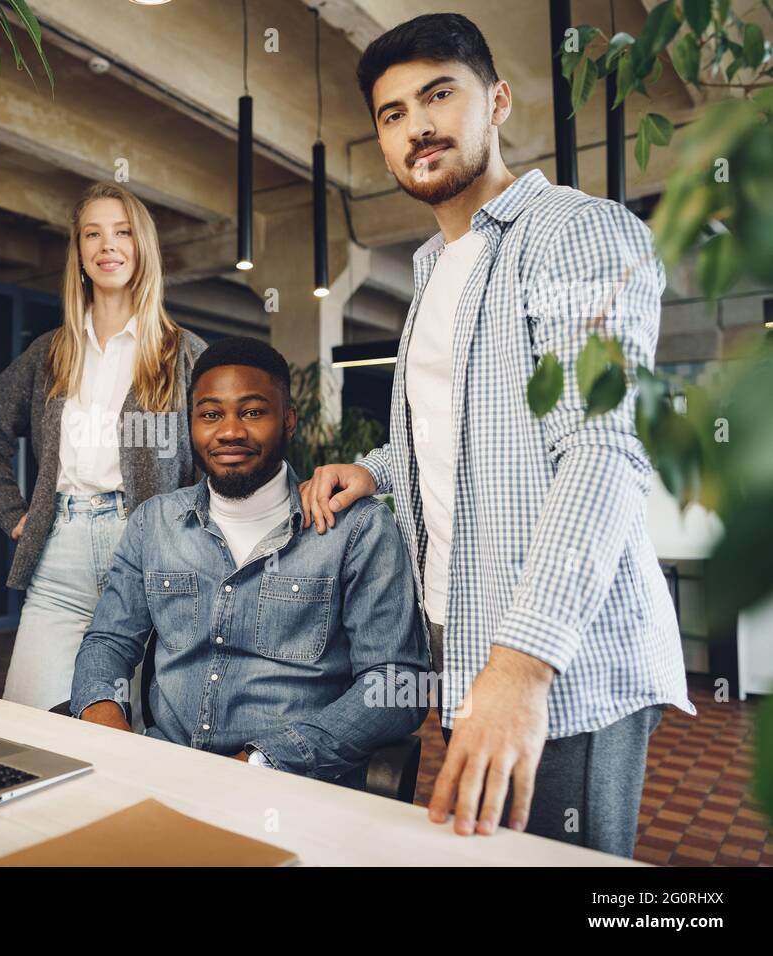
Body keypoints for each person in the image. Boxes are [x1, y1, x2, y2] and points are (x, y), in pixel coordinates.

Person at [300, 14, 692, 854]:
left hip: (564, 656)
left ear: (498, 101)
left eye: (439, 95)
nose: (418, 127)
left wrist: (522, 667)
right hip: (461, 633)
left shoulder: (576, 233)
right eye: (393, 114)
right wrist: (376, 470)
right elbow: (457, 446)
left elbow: (603, 449)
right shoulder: (435, 268)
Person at [70, 337, 426, 785]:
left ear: (289, 421)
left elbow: (394, 686)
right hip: (162, 775)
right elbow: (109, 640)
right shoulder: (154, 523)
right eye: (211, 414)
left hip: (292, 787)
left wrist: (261, 763)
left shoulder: (357, 529)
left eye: (253, 412)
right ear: (192, 424)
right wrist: (108, 728)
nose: (230, 431)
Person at [0, 183, 207, 716]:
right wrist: (14, 514)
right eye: (92, 234)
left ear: (142, 247)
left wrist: (190, 541)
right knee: (28, 720)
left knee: (137, 725)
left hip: (147, 553)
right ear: (78, 253)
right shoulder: (50, 353)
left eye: (122, 232)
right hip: (61, 552)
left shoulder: (183, 354)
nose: (108, 245)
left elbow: (212, 463)